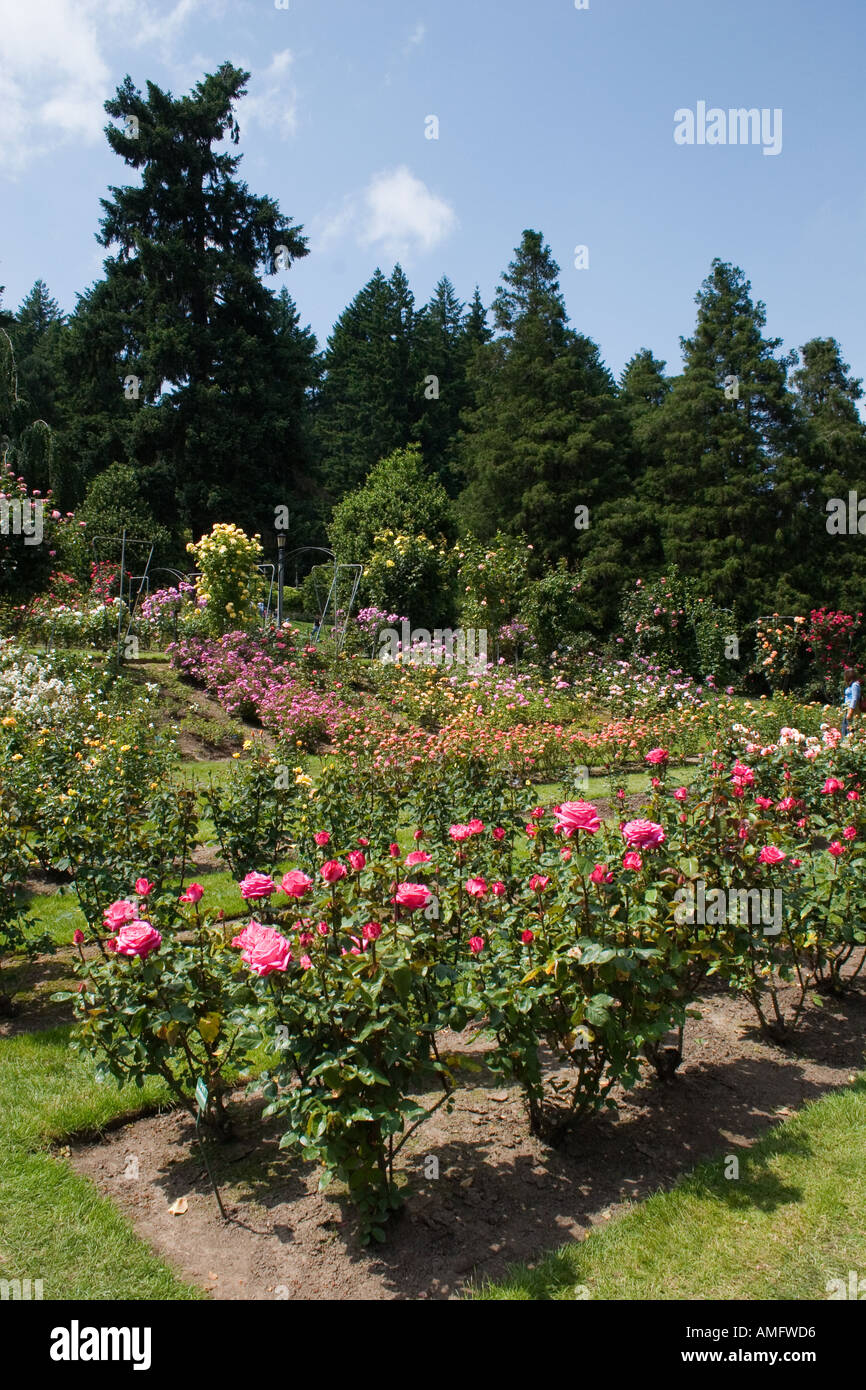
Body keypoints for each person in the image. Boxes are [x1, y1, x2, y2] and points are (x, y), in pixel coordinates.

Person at [842, 667, 861, 738]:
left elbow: (855, 699)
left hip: (852, 710)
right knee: (846, 728)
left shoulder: (855, 685)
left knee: (851, 729)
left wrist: (850, 712)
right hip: (848, 709)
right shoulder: (851, 685)